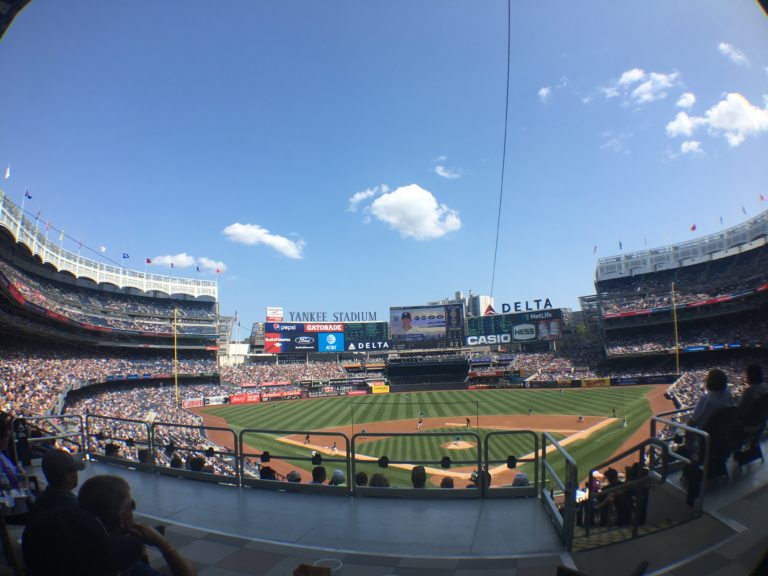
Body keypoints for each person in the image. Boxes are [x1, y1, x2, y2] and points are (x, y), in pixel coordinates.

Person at [77, 474, 197, 576]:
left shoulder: (76, 537)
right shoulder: (124, 554)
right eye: (131, 505)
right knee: (189, 566)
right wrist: (163, 544)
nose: (133, 509)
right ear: (120, 518)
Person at [35, 448, 85, 513]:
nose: (77, 474)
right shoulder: (77, 508)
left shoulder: (39, 501)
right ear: (67, 477)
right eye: (75, 471)